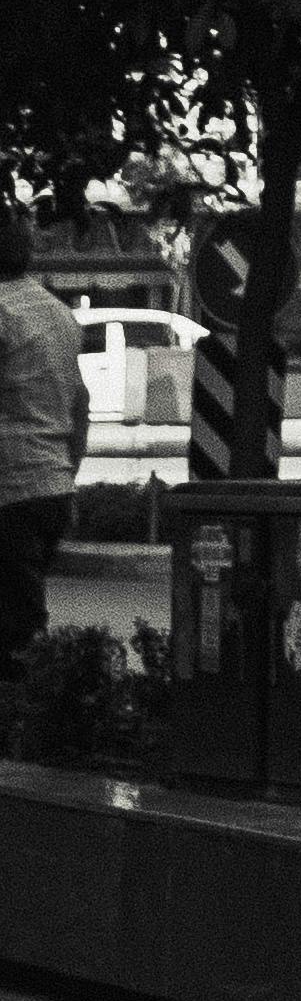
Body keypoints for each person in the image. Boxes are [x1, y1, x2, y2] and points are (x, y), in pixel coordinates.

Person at [0, 211, 89, 673]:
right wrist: (66, 470)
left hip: (9, 492)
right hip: (51, 488)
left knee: (16, 634)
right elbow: (80, 403)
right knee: (20, 619)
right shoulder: (56, 312)